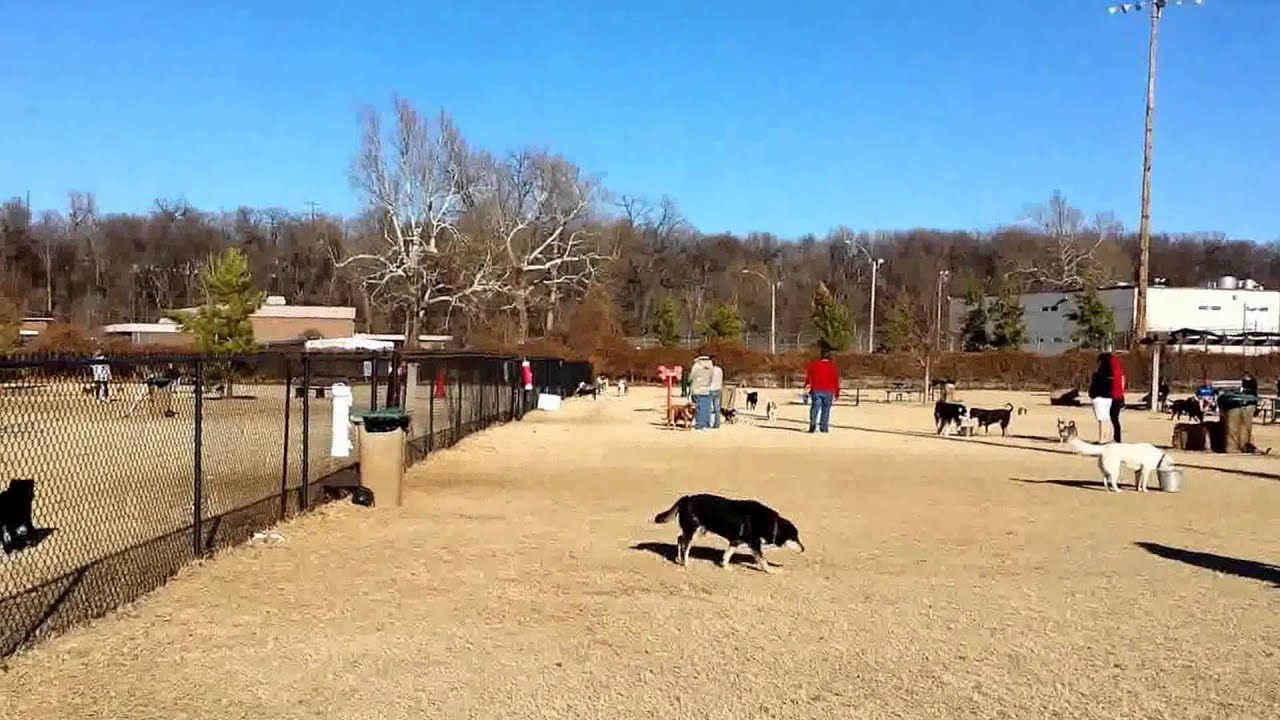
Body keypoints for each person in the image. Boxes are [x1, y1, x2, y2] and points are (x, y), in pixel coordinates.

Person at [804, 346, 840, 433]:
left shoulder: (814, 365)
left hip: (817, 389)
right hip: (829, 391)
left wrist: (806, 388)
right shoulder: (832, 367)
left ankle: (813, 424)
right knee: (826, 409)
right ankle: (824, 427)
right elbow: (835, 380)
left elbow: (809, 378)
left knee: (815, 408)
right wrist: (837, 392)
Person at [1087, 353, 1114, 443]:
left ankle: (1102, 439)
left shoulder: (1098, 374)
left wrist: (1091, 394)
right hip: (1109, 398)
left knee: (1101, 419)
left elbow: (1094, 387)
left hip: (1099, 399)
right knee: (1107, 418)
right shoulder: (1112, 374)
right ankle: (1108, 438)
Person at [687, 354, 714, 430]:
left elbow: (691, 377)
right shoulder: (711, 366)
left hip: (697, 389)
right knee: (706, 407)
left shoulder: (697, 366)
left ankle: (699, 425)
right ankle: (706, 423)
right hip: (706, 389)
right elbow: (711, 377)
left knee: (698, 407)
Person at [1108, 353, 1126, 443]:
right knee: (1115, 419)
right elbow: (1123, 384)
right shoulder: (1120, 372)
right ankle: (1117, 437)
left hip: (1111, 397)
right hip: (1119, 397)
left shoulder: (1109, 372)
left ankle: (1113, 437)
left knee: (1110, 418)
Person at [708, 355, 724, 429]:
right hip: (718, 389)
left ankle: (710, 423)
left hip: (711, 389)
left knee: (710, 408)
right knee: (717, 407)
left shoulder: (710, 370)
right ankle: (717, 423)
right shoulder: (719, 370)